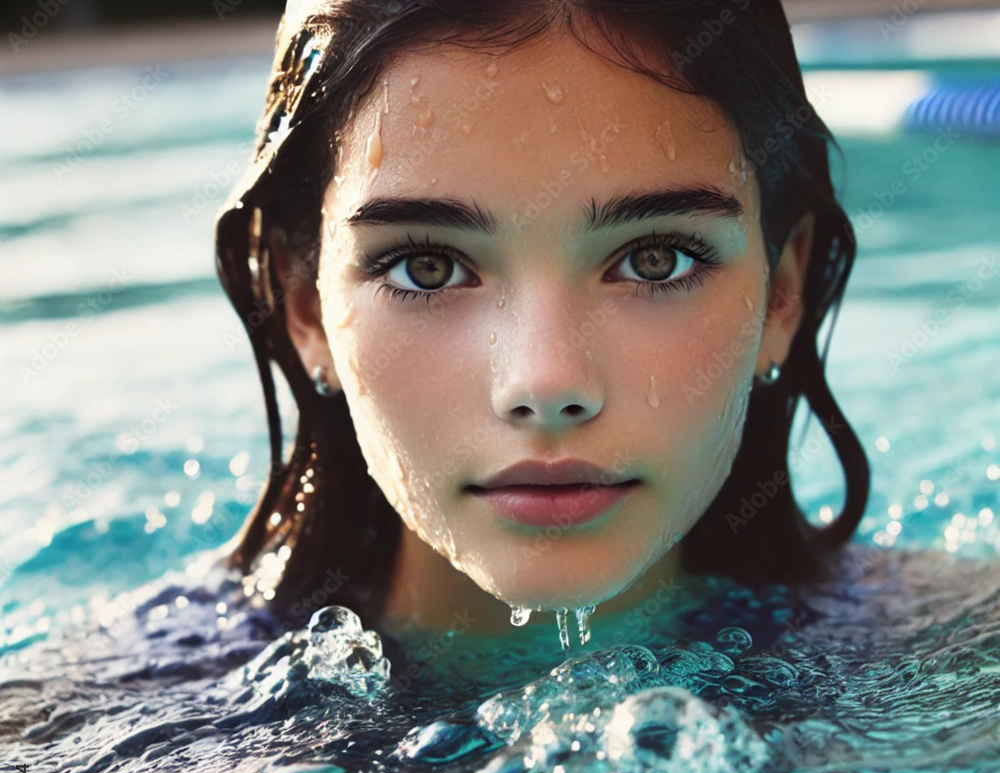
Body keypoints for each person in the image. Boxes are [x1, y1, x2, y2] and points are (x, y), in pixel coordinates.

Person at [214, 0, 869, 678]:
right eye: (427, 269)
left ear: (780, 297)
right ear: (308, 313)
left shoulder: (964, 656)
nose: (546, 384)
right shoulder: (139, 718)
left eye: (655, 259)